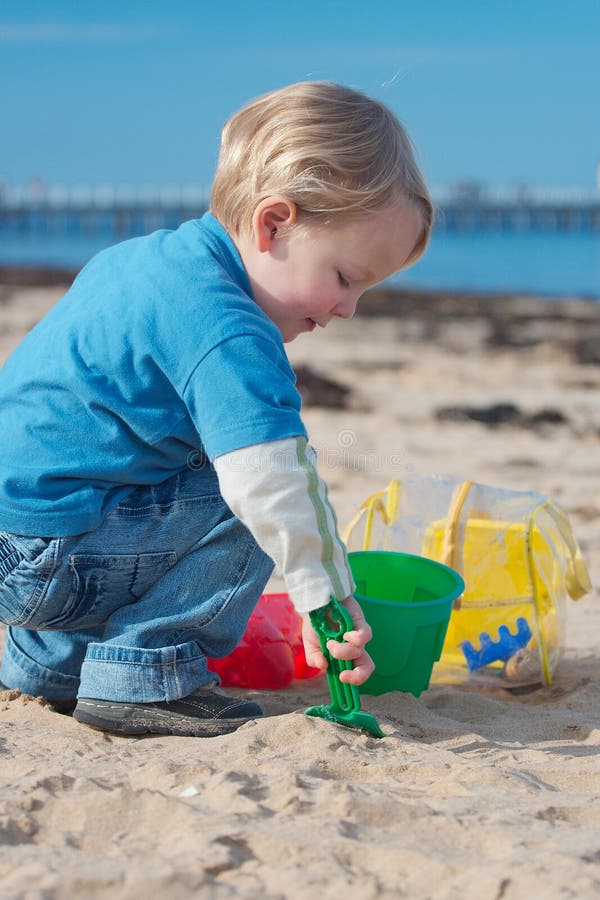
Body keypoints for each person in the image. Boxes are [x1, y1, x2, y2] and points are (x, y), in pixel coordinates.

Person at [0, 81, 433, 737]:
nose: (348, 308)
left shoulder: (144, 261)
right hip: (47, 557)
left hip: (22, 541)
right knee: (258, 487)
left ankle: (53, 670)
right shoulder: (229, 329)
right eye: (345, 278)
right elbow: (274, 481)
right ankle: (144, 677)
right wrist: (327, 595)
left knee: (167, 466)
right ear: (273, 223)